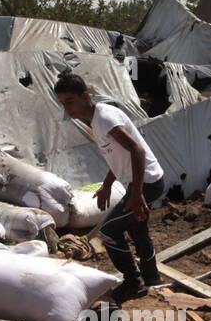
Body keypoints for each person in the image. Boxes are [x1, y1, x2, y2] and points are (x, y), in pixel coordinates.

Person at [54, 72, 164, 303]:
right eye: (63, 103)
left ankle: (133, 281)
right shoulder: (97, 120)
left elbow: (137, 151)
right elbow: (119, 157)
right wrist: (106, 186)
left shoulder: (104, 118)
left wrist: (137, 194)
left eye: (70, 101)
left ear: (85, 96)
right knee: (138, 231)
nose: (67, 108)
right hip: (142, 182)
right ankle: (152, 278)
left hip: (147, 183)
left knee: (109, 232)